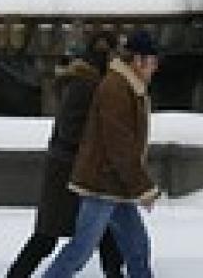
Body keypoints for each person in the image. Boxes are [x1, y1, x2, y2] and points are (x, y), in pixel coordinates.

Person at [39, 28, 161, 278]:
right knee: (81, 251)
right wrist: (143, 188)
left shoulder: (128, 86)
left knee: (137, 247)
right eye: (151, 62)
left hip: (114, 185)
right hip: (102, 185)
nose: (155, 68)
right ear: (137, 60)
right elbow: (119, 145)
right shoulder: (116, 89)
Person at [5, 32, 124, 278]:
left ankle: (115, 273)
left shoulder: (91, 81)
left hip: (77, 171)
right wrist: (98, 143)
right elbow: (70, 129)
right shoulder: (84, 84)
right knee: (47, 237)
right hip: (67, 174)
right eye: (115, 54)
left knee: (103, 229)